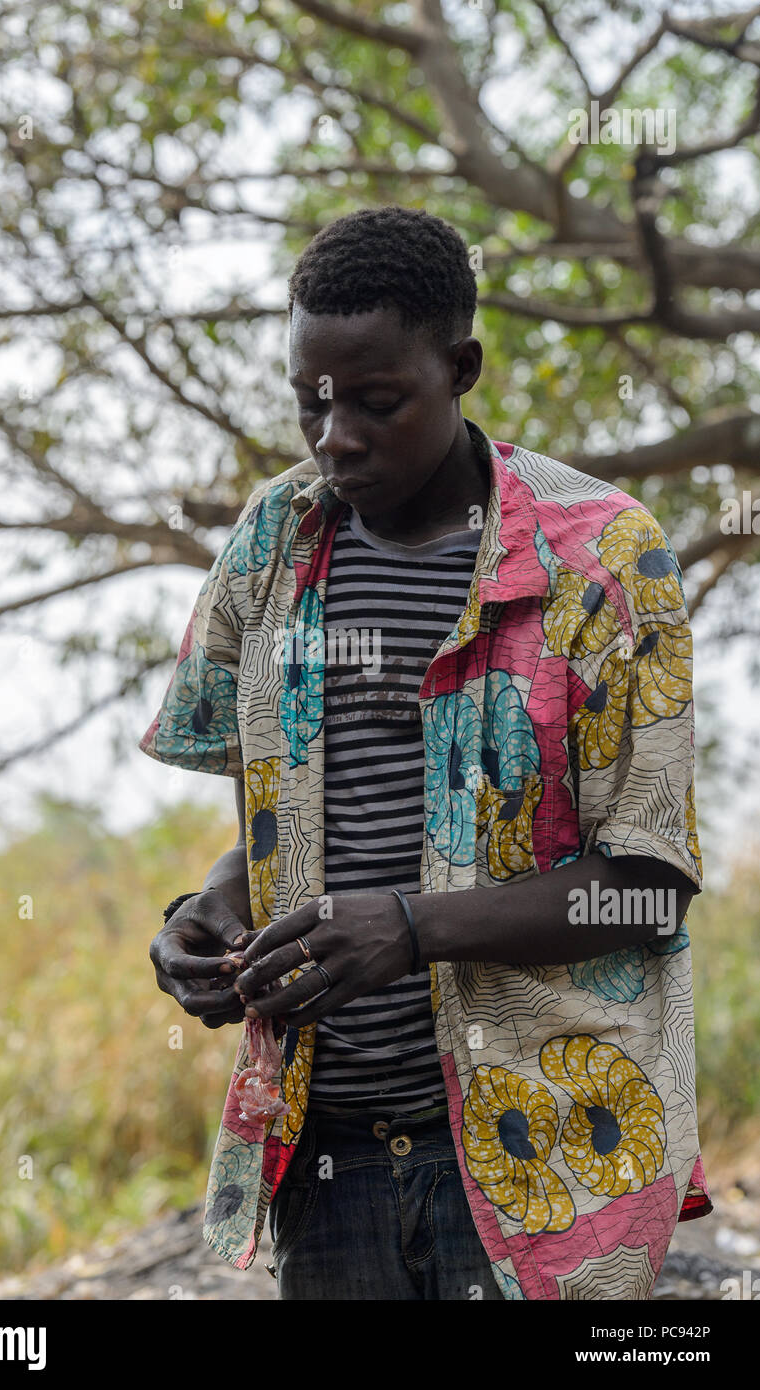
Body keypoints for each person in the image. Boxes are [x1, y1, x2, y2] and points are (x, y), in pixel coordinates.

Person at [141, 205, 711, 1301]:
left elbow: (645, 891)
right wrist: (206, 915)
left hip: (539, 1160)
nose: (334, 436)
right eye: (312, 400)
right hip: (328, 1151)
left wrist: (409, 928)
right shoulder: (275, 545)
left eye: (376, 401)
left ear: (461, 368)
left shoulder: (602, 559)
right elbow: (289, 818)